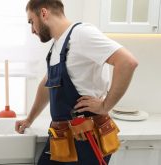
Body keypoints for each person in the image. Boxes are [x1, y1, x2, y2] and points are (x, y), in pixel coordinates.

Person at [15, 0, 138, 164]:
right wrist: (30, 119)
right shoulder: (58, 44)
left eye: (31, 21)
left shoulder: (82, 34)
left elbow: (127, 62)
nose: (32, 30)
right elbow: (47, 83)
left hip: (86, 137)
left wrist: (105, 106)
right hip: (63, 137)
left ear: (44, 13)